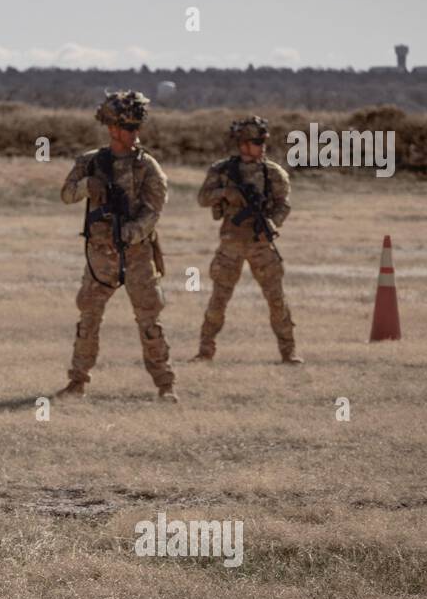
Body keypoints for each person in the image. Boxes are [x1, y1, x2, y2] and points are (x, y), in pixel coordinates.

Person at [56, 90, 177, 402]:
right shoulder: (90, 162)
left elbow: (154, 210)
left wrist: (131, 231)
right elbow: (66, 194)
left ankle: (165, 384)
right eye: (127, 127)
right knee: (88, 319)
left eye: (136, 128)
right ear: (111, 128)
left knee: (150, 321)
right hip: (100, 257)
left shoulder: (147, 166)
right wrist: (87, 186)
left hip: (138, 256)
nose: (132, 134)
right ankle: (77, 381)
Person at [194, 116, 301, 363]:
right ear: (242, 144)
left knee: (276, 299)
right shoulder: (222, 170)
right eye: (255, 142)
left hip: (261, 244)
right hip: (231, 243)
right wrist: (226, 193)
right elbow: (203, 198)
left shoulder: (273, 173)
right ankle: (205, 350)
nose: (261, 146)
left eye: (262, 141)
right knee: (219, 299)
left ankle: (289, 352)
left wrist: (272, 223)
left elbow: (283, 205)